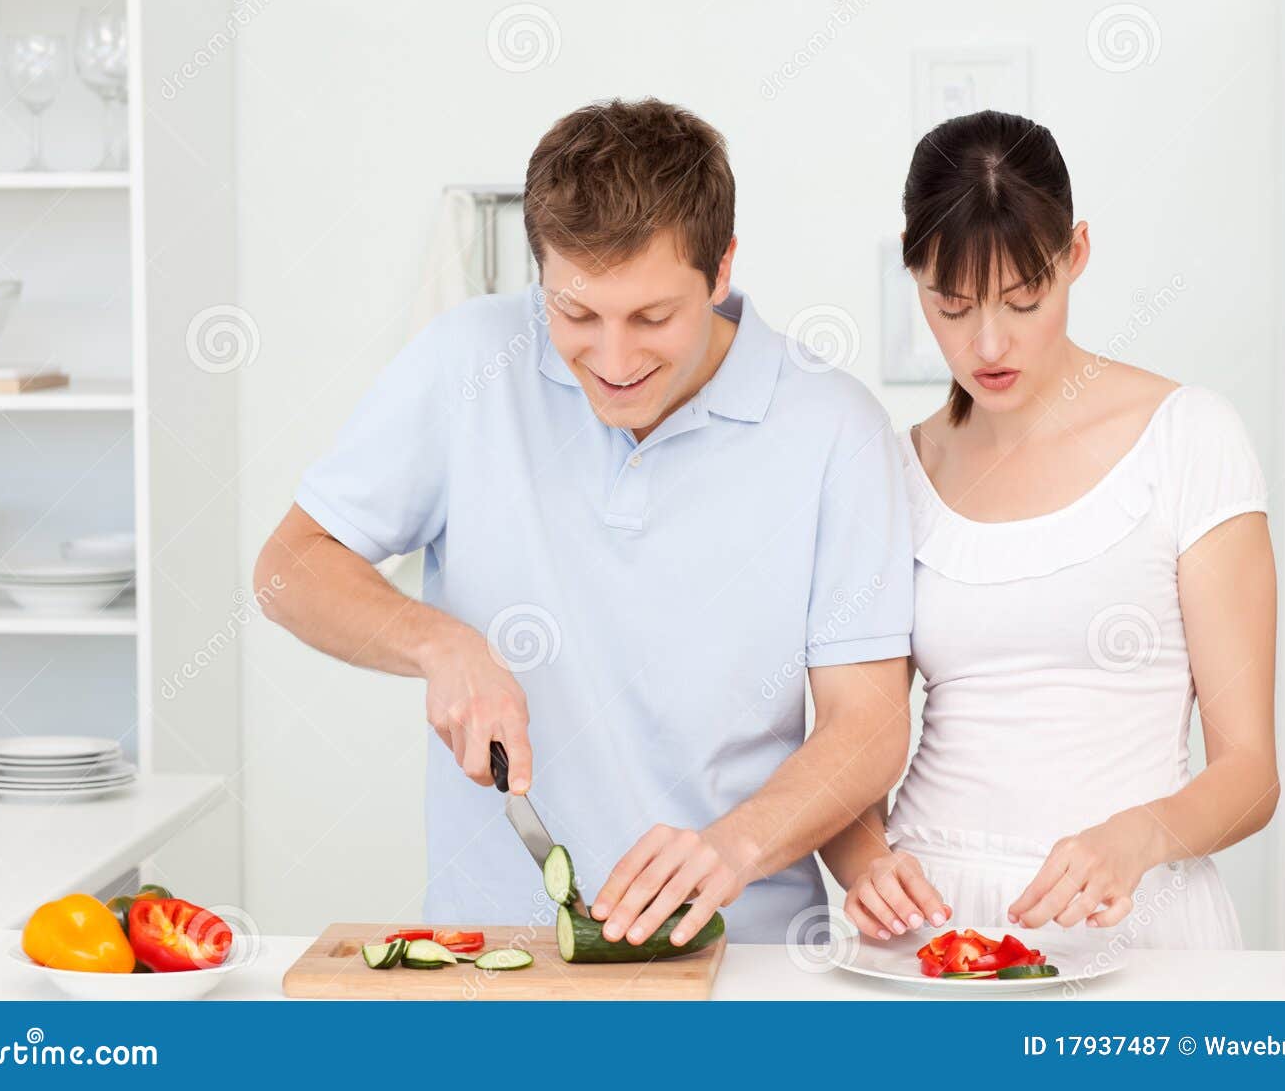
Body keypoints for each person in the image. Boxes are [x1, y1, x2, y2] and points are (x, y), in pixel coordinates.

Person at [255, 98, 914, 944]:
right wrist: (440, 643)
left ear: (721, 271)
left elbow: (869, 726)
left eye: (652, 317)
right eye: (575, 315)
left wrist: (733, 848)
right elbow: (288, 567)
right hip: (495, 959)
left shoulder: (834, 428)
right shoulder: (467, 363)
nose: (613, 360)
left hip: (750, 965)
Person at [823, 109, 1279, 948]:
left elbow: (1250, 775)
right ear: (912, 269)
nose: (988, 342)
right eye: (950, 305)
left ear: (1076, 255)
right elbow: (849, 748)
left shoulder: (1188, 439)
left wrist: (1135, 838)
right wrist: (864, 862)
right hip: (930, 925)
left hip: (1127, 910)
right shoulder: (892, 470)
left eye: (1024, 299)